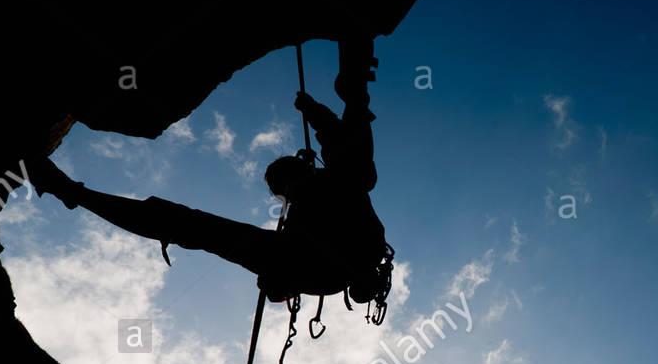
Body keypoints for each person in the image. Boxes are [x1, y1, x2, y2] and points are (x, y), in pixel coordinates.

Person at [30, 42, 389, 307]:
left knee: (354, 170)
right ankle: (72, 192)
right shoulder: (316, 202)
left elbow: (344, 151)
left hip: (334, 262)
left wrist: (316, 113)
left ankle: (354, 87)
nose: (291, 190)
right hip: (322, 263)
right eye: (286, 187)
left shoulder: (336, 185)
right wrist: (279, 281)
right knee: (191, 225)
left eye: (289, 182)